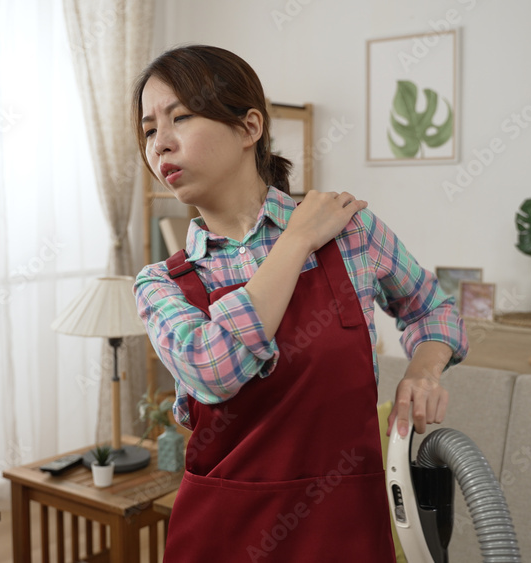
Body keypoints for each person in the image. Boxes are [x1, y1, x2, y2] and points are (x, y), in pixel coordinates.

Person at [132, 45, 467, 562]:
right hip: (221, 537)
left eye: (180, 117)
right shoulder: (162, 284)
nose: (161, 145)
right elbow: (215, 369)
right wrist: (297, 240)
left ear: (249, 128)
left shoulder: (349, 232)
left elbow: (434, 308)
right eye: (150, 130)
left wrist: (424, 371)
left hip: (344, 526)